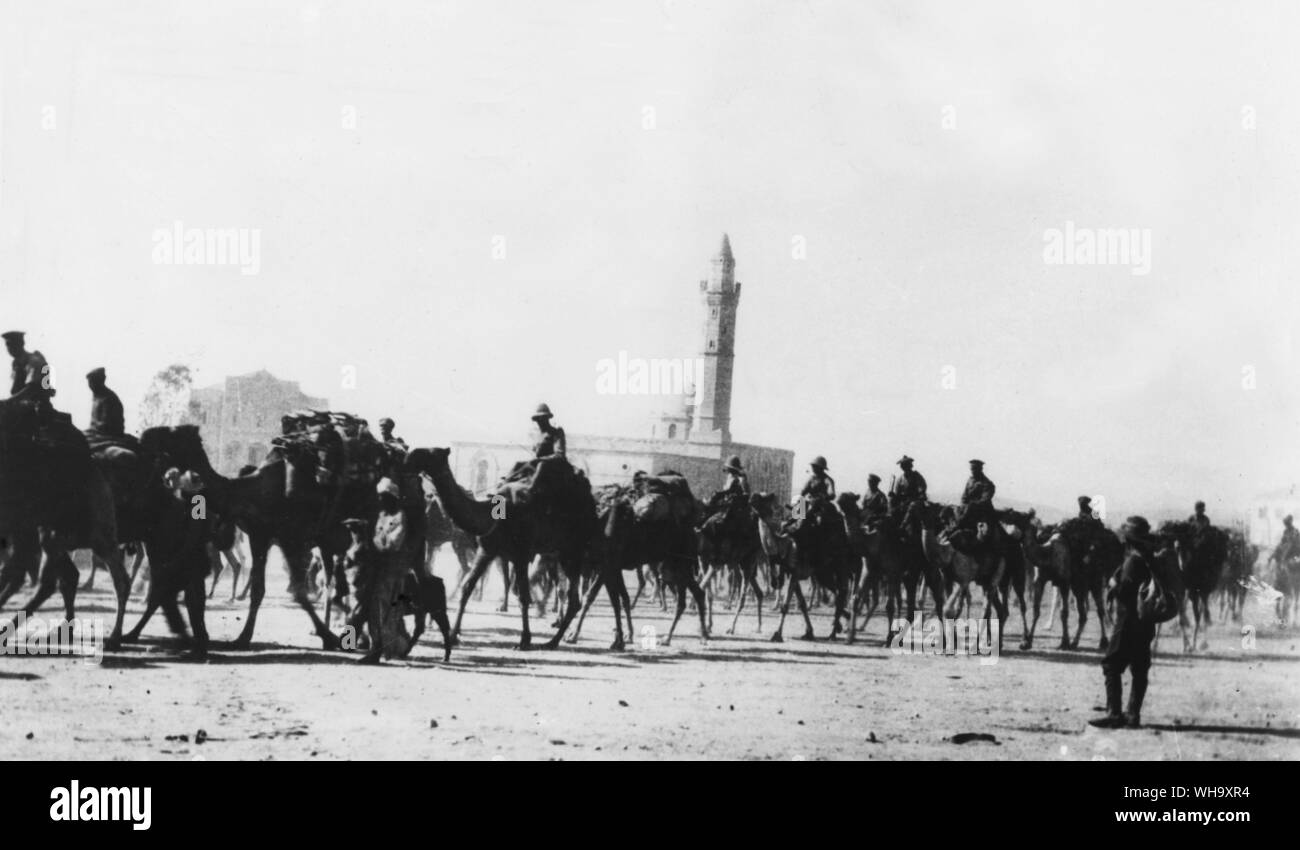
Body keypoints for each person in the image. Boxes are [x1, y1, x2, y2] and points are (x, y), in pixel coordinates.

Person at [1089, 515, 1160, 729]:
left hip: (1127, 621)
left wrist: (1112, 584)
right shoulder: (1150, 559)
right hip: (1146, 623)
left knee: (1111, 665)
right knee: (1140, 669)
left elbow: (1124, 591)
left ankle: (1114, 714)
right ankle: (1133, 715)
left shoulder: (1132, 561)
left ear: (1129, 539)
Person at [4, 331, 52, 411]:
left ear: (21, 344)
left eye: (13, 344)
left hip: (37, 407)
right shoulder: (16, 364)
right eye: (8, 345)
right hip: (21, 406)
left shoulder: (33, 361)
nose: (10, 348)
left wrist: (8, 401)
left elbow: (32, 388)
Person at [85, 367, 125, 437]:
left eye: (92, 382)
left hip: (107, 435)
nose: (90, 385)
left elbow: (106, 425)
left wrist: (92, 430)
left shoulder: (108, 399)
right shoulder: (97, 397)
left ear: (100, 381)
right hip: (96, 433)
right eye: (89, 382)